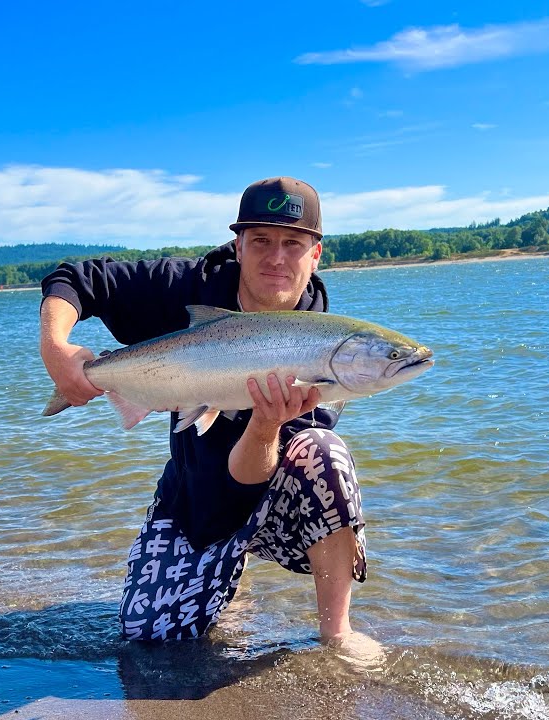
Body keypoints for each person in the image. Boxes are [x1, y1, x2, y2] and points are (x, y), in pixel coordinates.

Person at [39, 177, 373, 649]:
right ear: (238, 245)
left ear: (315, 254)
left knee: (324, 452)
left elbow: (248, 476)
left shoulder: (319, 349)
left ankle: (337, 632)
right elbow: (75, 278)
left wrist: (264, 425)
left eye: (293, 244)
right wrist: (57, 351)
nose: (276, 257)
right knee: (150, 637)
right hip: (195, 497)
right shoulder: (185, 284)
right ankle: (228, 577)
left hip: (274, 493)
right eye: (260, 241)